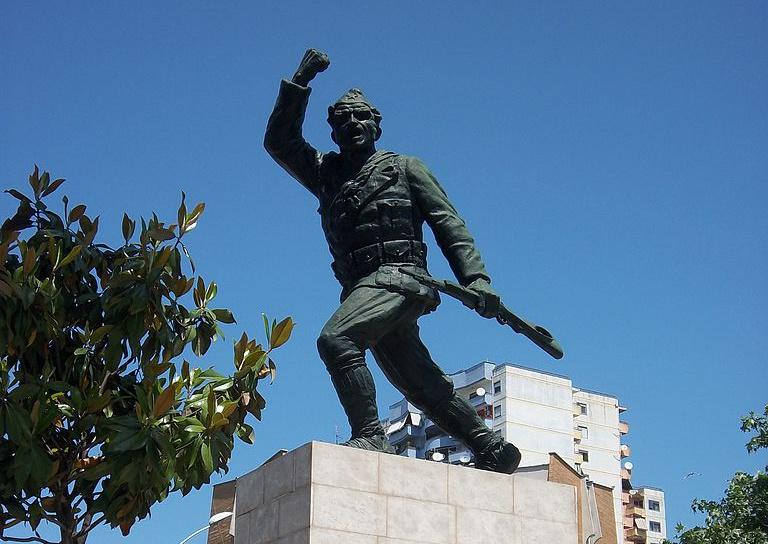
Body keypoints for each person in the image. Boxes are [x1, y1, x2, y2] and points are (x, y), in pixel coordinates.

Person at [264, 49, 521, 473]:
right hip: (363, 288)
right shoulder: (327, 175)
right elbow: (279, 142)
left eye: (361, 117)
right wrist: (300, 81)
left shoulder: (406, 168)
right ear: (332, 133)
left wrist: (477, 280)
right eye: (342, 121)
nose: (353, 125)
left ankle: (370, 434)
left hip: (402, 279)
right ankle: (489, 446)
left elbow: (448, 224)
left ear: (377, 125)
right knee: (419, 382)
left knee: (337, 340)